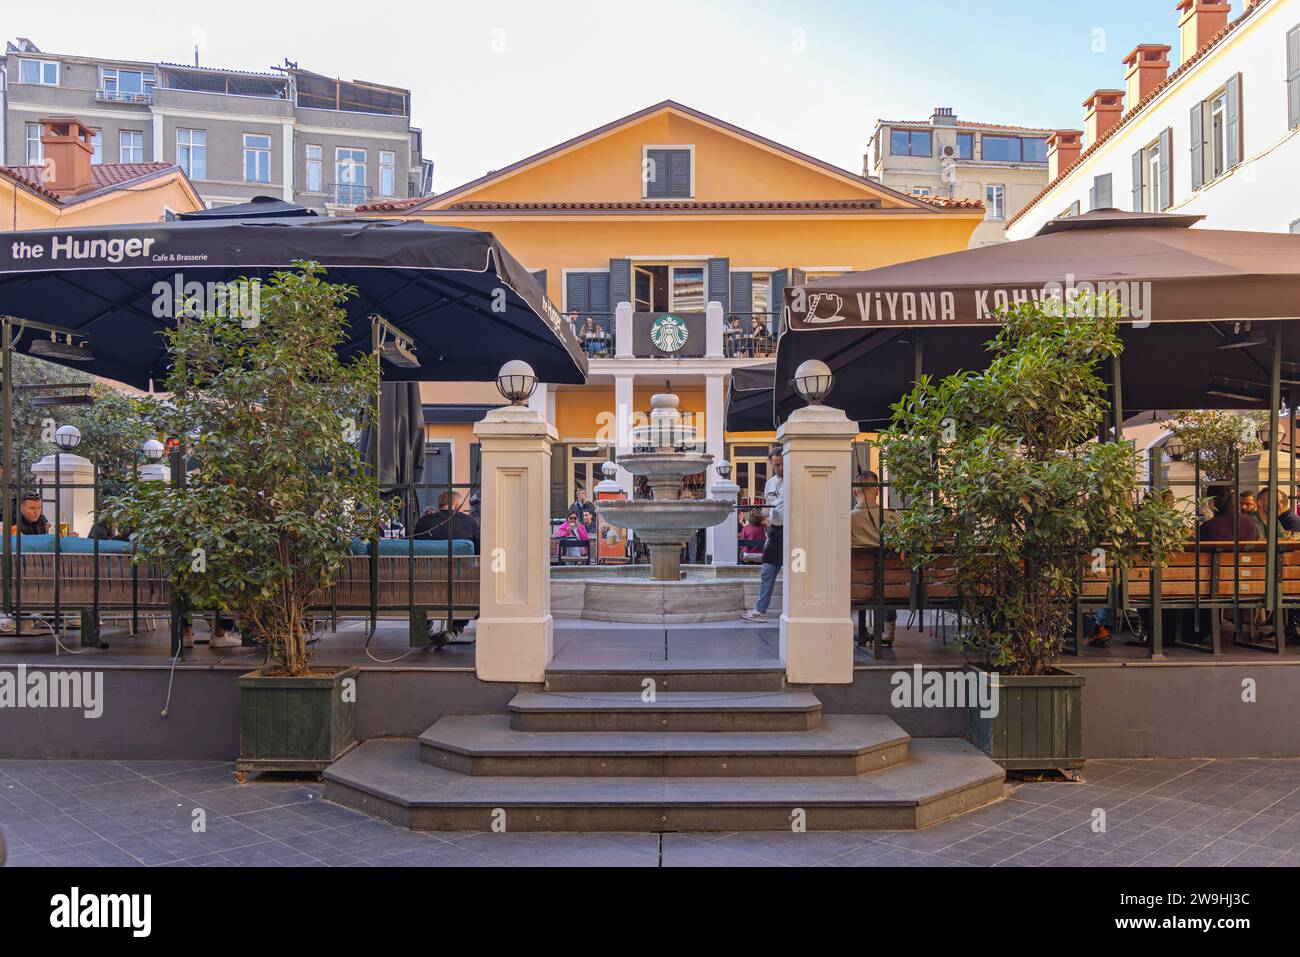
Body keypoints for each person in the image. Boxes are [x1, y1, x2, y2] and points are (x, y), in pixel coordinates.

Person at [850, 469, 902, 646]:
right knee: (888, 575)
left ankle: (861, 629)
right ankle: (889, 629)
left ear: (854, 491)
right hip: (890, 585)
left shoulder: (847, 519)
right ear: (878, 491)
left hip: (857, 586)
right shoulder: (893, 518)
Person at [742, 448, 783, 622]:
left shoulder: (796, 480)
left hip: (794, 532)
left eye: (782, 464)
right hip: (774, 533)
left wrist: (765, 513)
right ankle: (761, 610)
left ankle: (797, 609)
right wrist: (761, 512)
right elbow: (770, 508)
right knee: (767, 570)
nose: (779, 468)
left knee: (798, 571)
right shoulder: (770, 483)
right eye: (776, 465)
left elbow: (782, 510)